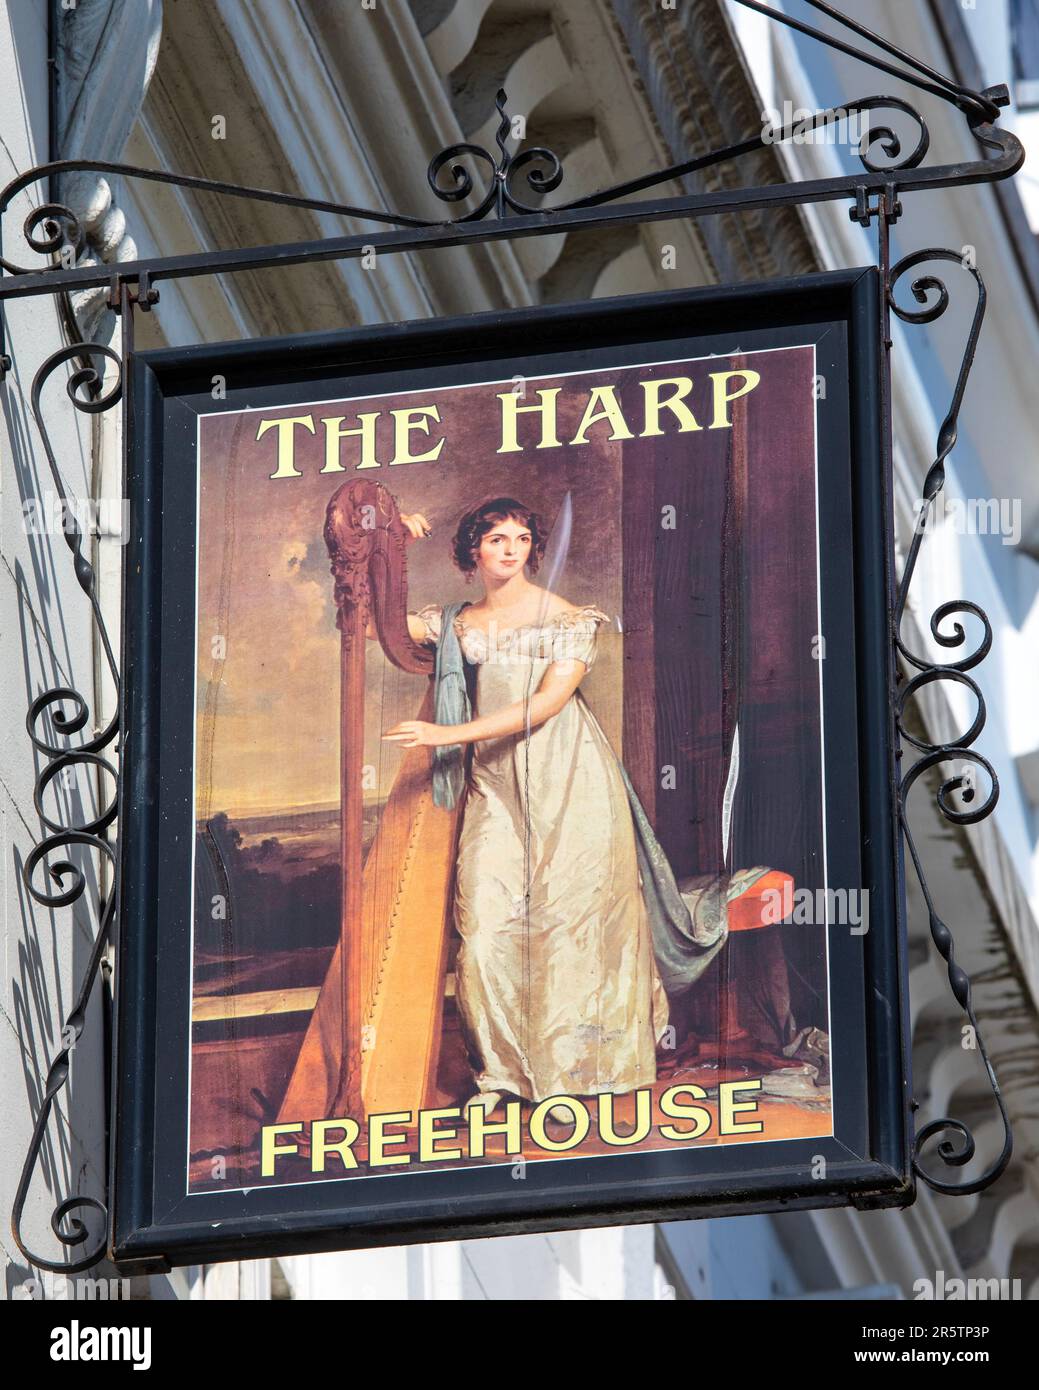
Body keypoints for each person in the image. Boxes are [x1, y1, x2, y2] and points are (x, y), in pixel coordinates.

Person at [381, 497, 733, 1123]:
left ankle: (585, 1071)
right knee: (485, 933)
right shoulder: (456, 624)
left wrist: (444, 737)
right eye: (496, 539)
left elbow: (542, 706)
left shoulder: (569, 620)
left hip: (572, 785)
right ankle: (501, 1078)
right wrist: (390, 540)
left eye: (521, 538)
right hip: (496, 792)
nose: (510, 549)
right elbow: (367, 621)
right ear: (472, 551)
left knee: (569, 932)